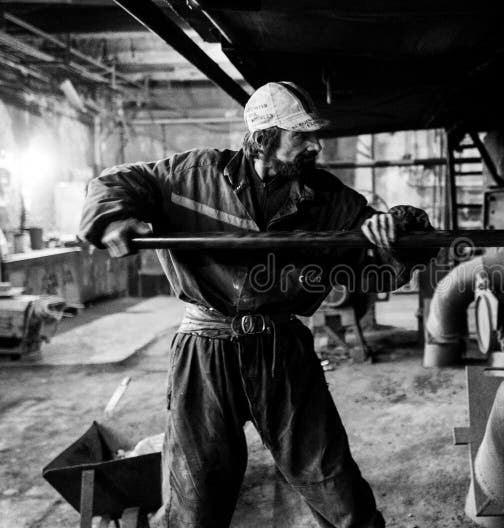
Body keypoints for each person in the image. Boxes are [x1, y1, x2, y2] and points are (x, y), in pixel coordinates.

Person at [79, 81, 435, 527]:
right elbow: (114, 183)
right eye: (300, 135)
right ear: (264, 136)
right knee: (195, 495)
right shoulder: (194, 176)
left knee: (335, 486)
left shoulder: (326, 198)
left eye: (313, 135)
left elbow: (377, 244)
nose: (314, 146)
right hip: (205, 352)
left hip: (282, 350)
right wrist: (114, 216)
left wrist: (395, 232)